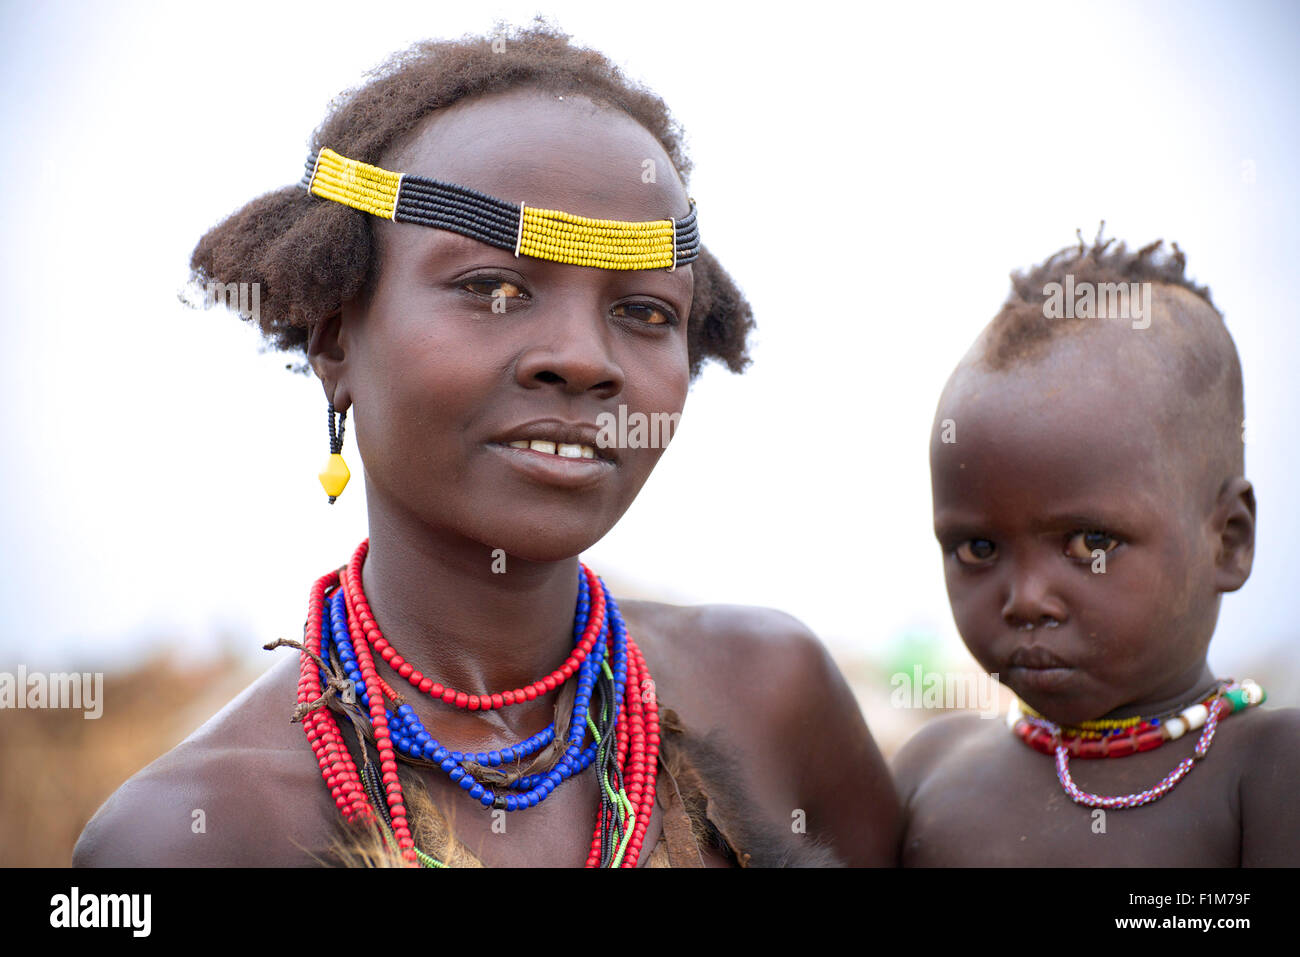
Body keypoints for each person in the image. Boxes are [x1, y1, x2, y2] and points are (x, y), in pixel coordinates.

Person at [72, 23, 898, 868]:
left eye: (645, 312)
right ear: (333, 338)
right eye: (494, 289)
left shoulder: (776, 693)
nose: (581, 357)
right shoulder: (194, 834)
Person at [894, 231, 1299, 865]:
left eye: (1091, 541)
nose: (1026, 600)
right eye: (977, 548)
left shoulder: (1269, 772)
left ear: (1228, 542)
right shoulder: (928, 770)